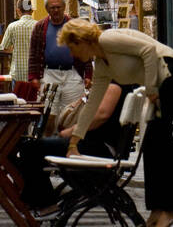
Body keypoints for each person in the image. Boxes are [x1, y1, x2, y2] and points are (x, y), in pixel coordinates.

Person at [58, 19, 173, 227]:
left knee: (169, 146)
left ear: (81, 40)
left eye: (72, 48)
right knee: (150, 147)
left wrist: (150, 89)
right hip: (158, 87)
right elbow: (93, 103)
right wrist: (75, 139)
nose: (72, 55)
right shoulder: (102, 65)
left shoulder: (108, 39)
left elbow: (148, 50)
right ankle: (157, 210)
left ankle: (172, 210)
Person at [16, 80, 132, 212]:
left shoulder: (116, 84)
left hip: (97, 148)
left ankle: (45, 205)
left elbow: (102, 115)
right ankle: (37, 201)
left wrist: (71, 132)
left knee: (31, 148)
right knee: (31, 147)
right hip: (101, 146)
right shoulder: (123, 81)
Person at [27, 0, 91, 123]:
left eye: (58, 7)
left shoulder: (74, 25)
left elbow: (86, 52)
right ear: (47, 9)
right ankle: (50, 141)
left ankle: (68, 141)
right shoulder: (39, 27)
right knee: (48, 114)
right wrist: (33, 77)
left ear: (64, 7)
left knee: (72, 114)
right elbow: (34, 53)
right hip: (49, 73)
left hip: (72, 74)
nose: (56, 10)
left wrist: (88, 74)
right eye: (52, 7)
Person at [0, 0, 37, 84]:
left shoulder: (12, 27)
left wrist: (14, 49)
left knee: (18, 97)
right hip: (35, 72)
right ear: (31, 10)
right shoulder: (39, 26)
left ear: (18, 11)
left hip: (17, 72)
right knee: (35, 97)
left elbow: (4, 48)